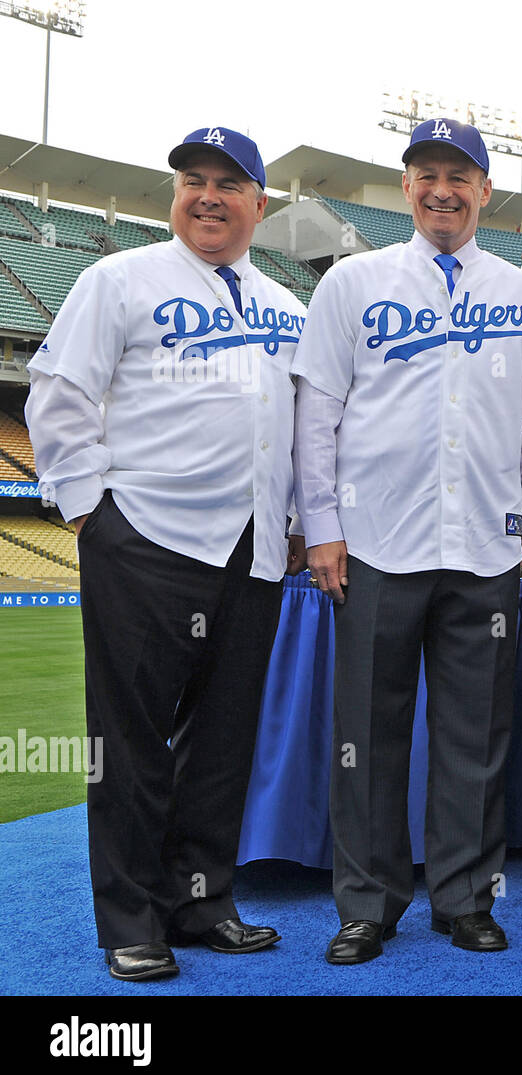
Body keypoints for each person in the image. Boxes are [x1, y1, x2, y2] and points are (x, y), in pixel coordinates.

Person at [25, 126, 306, 981]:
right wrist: (88, 511)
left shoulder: (288, 306)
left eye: (229, 183)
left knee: (223, 744)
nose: (209, 196)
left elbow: (298, 428)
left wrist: (297, 523)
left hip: (253, 551)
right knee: (132, 741)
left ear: (262, 204)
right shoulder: (118, 278)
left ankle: (201, 899)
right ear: (175, 193)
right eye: (193, 180)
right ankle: (131, 920)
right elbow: (60, 392)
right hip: (146, 538)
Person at [292, 118, 522, 962]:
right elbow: (317, 412)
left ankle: (466, 896)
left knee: (476, 736)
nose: (444, 188)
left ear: (484, 190)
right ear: (406, 187)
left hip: (482, 547)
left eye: (461, 175)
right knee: (368, 730)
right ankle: (367, 902)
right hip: (375, 543)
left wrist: (521, 523)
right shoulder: (353, 283)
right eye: (427, 173)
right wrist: (321, 527)